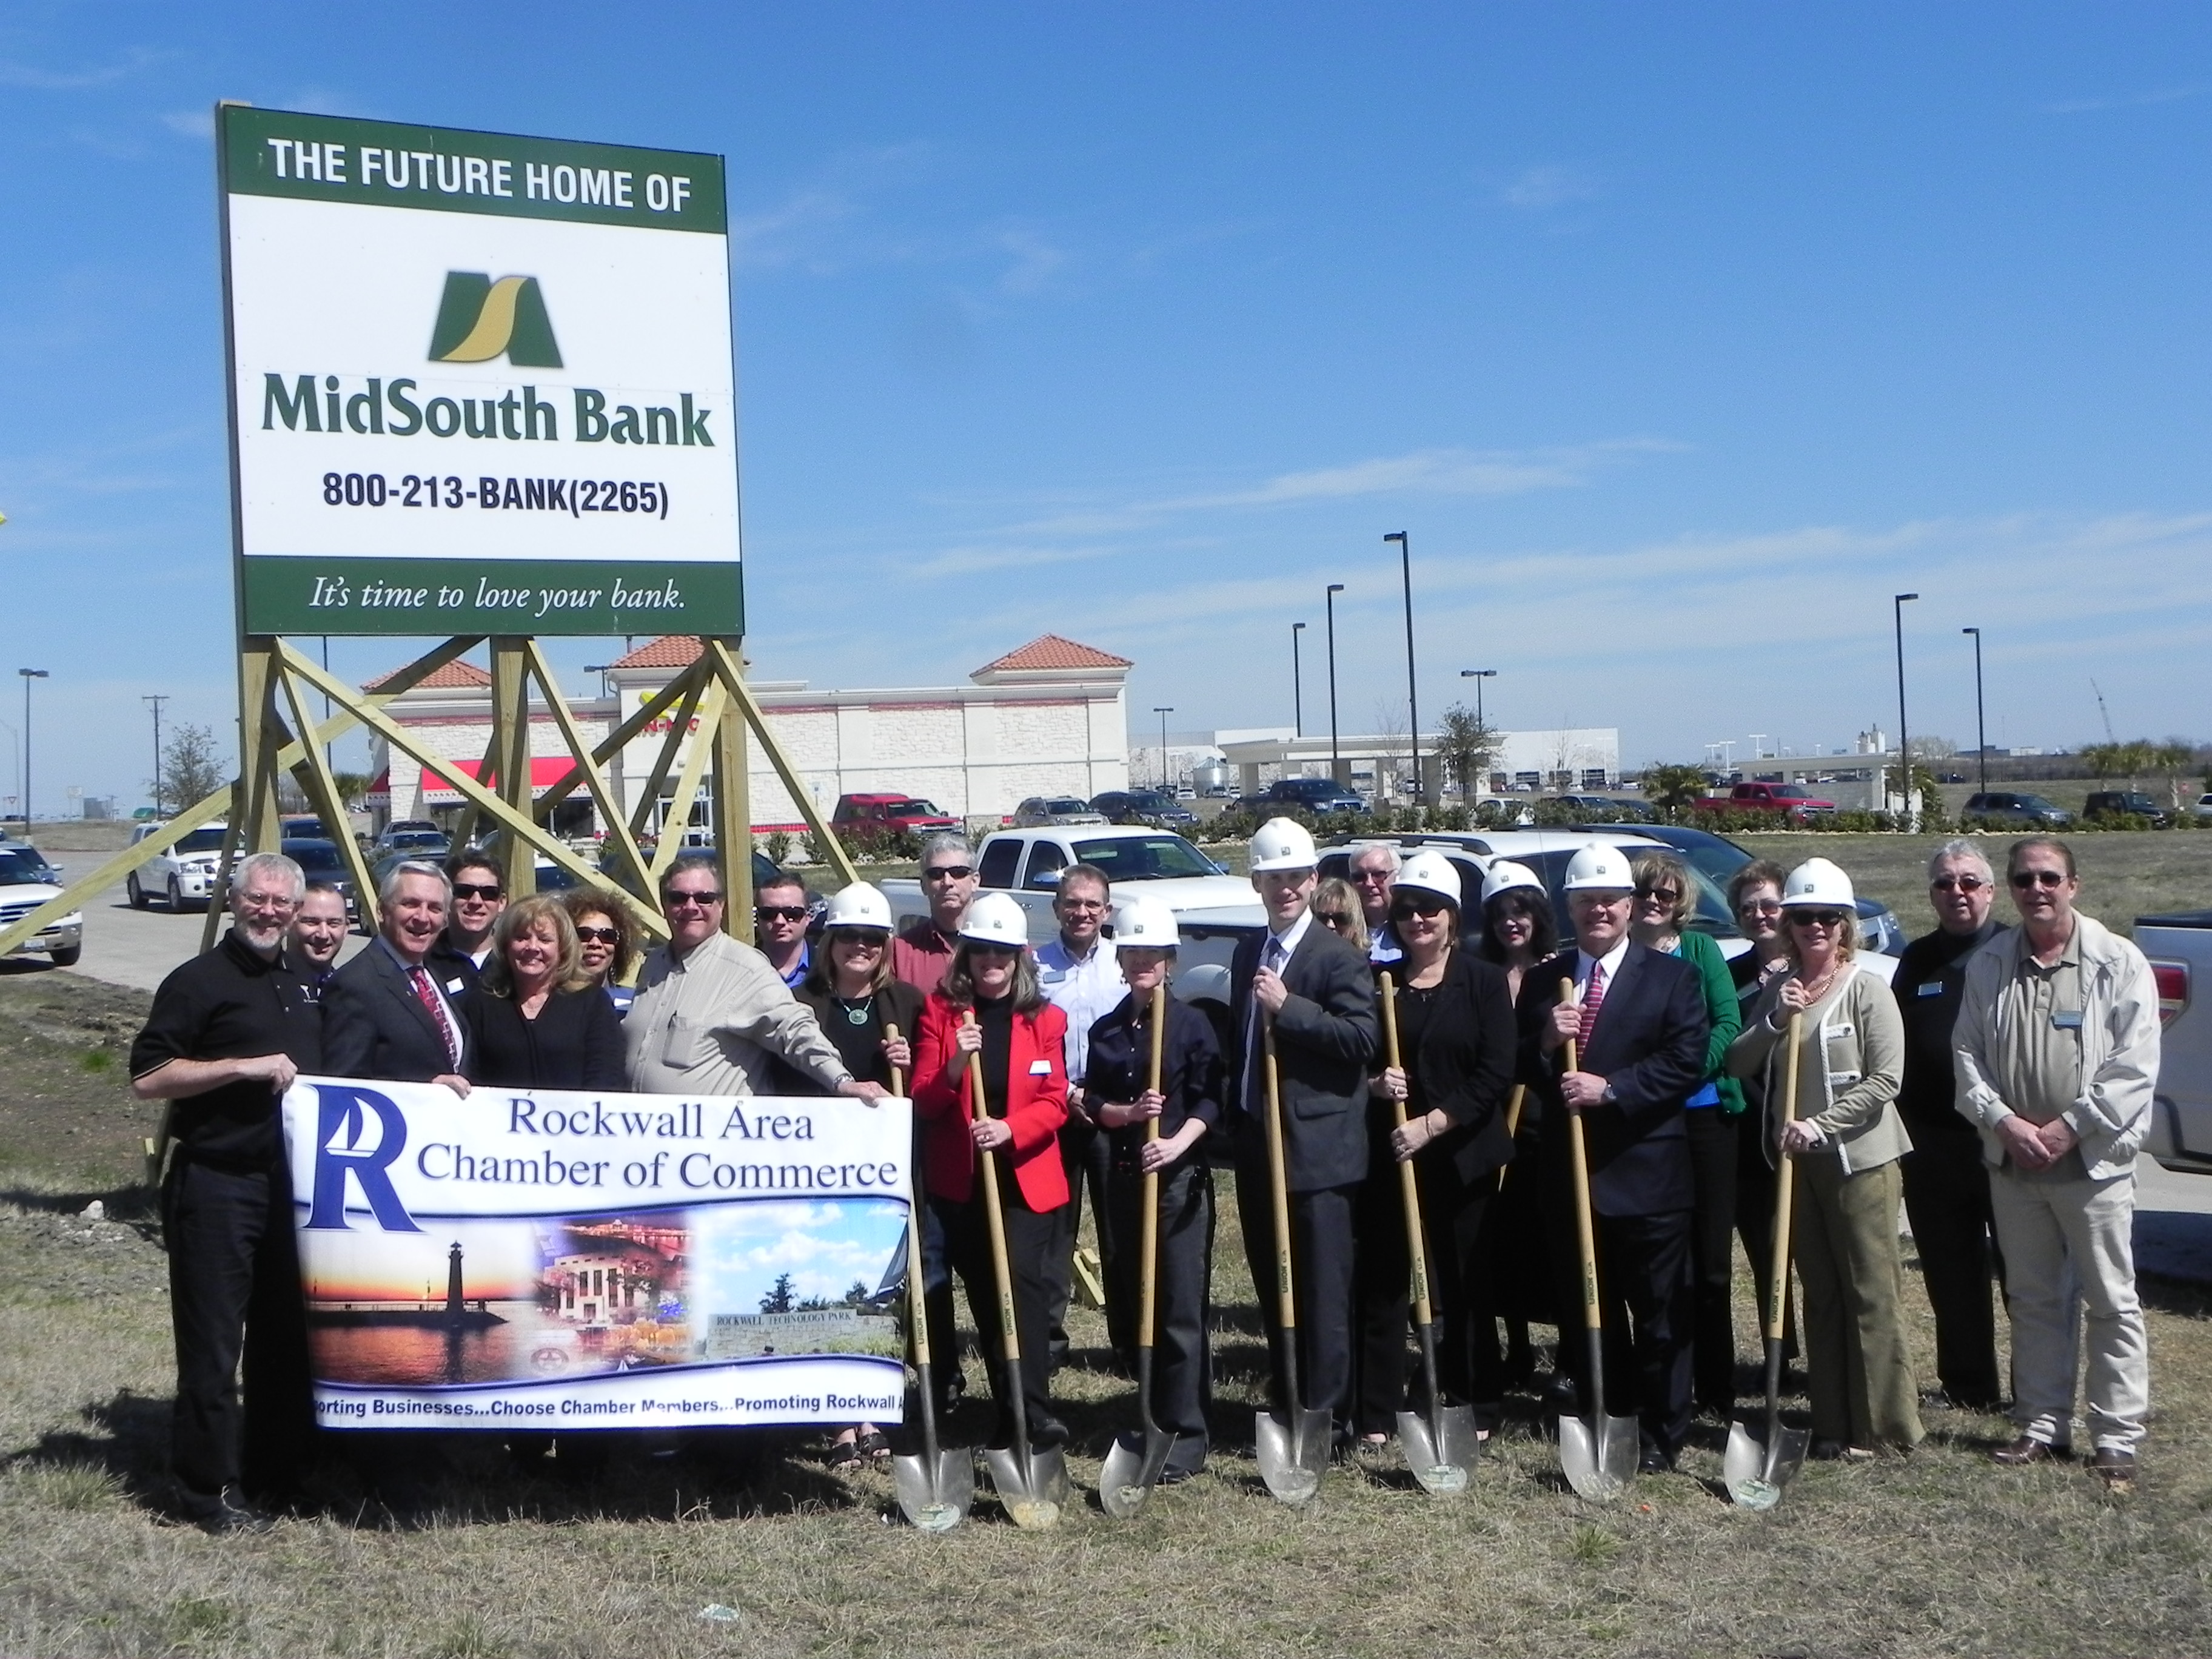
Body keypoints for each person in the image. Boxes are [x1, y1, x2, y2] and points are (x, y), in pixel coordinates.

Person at [1955, 836, 2158, 1487]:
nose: (2036, 890)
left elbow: (2134, 1067)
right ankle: (2042, 1425)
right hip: (2016, 1164)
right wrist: (2007, 1124)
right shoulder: (1990, 963)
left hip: (2092, 1165)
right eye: (2024, 880)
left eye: (2049, 878)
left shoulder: (2118, 962)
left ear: (2074, 883)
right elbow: (1967, 1057)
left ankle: (2116, 1435)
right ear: (2010, 889)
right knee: (2035, 1298)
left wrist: (2070, 1128)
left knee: (2110, 1301)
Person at [128, 851, 322, 1533]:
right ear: (234, 901)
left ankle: (273, 1475)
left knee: (281, 1343)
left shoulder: (305, 982)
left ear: (297, 910)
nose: (268, 912)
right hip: (216, 1184)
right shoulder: (198, 981)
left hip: (289, 1191)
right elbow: (149, 1076)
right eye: (257, 899)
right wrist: (238, 1067)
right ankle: (204, 1489)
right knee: (213, 1346)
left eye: (281, 902)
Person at [1517, 842, 1707, 1473]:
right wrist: (1548, 1039)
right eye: (1585, 900)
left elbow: (1684, 1063)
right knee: (1588, 1310)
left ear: (1630, 906)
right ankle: (1609, 1413)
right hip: (1570, 1179)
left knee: (1656, 1314)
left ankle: (1662, 1432)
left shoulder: (1673, 978)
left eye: (1609, 899)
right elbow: (1519, 1067)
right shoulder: (1547, 981)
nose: (1598, 909)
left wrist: (1613, 1089)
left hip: (1647, 1175)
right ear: (1569, 907)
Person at [1729, 857, 1922, 1460]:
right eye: (1804, 917)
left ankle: (1887, 1427)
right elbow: (1738, 1062)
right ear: (1788, 924)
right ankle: (1833, 1421)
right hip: (1801, 1166)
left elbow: (1885, 1081)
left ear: (1845, 925)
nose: (1816, 927)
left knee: (1871, 1291)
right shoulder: (1780, 987)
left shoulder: (1866, 988)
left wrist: (1820, 1125)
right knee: (1822, 1293)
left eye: (1828, 918)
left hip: (1860, 1161)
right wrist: (1774, 1018)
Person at [1228, 817, 1379, 1449]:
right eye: (1273, 879)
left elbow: (1362, 1040)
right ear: (1257, 882)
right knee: (1273, 1279)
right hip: (1259, 1144)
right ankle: (1289, 1392)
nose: (1285, 889)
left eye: (1296, 878)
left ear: (1313, 881)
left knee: (1321, 1287)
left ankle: (1330, 1416)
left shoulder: (1336, 956)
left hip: (1319, 1151)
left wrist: (1290, 1009)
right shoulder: (1248, 952)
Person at [1357, 850, 1517, 1440]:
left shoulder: (1483, 981)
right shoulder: (1382, 982)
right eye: (1407, 910)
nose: (1418, 921)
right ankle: (1376, 1409)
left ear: (1452, 916)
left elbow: (1496, 1070)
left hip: (1461, 1152)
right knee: (1384, 1277)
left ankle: (1473, 1397)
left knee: (1465, 1279)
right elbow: (1357, 1059)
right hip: (1392, 1152)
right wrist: (1375, 1084)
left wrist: (1434, 1123)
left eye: (1430, 910)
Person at [911, 893, 1071, 1453]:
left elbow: (1054, 1101)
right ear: (966, 955)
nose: (991, 962)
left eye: (1002, 952)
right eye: (981, 951)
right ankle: (1004, 1408)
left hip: (1024, 1180)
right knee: (985, 1298)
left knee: (1023, 1295)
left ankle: (1031, 1413)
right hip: (965, 1184)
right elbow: (925, 1101)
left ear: (1020, 956)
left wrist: (1010, 1128)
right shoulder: (941, 1014)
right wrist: (956, 1060)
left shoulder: (1047, 1019)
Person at [1084, 895, 1225, 1481]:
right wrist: (1123, 1111)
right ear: (1122, 959)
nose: (1142, 961)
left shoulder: (1193, 1024)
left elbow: (1211, 1098)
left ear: (1170, 959)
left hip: (1177, 1182)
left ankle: (1188, 1430)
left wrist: (1177, 1141)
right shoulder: (1107, 1029)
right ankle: (1149, 1416)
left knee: (1179, 1309)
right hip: (1125, 1180)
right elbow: (1092, 1102)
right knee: (1139, 1301)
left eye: (1153, 953)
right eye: (1133, 951)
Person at [793, 880, 927, 1470]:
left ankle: (873, 1411)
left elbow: (932, 1086)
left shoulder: (909, 1005)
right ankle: (840, 1422)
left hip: (889, 1174)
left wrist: (912, 1062)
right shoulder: (803, 1005)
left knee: (882, 1291)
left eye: (872, 939)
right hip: (828, 1173)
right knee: (833, 1286)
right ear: (829, 942)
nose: (860, 948)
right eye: (849, 937)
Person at [1629, 851, 1745, 1419]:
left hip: (1702, 1117)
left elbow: (1728, 1021)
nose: (1655, 902)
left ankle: (1716, 1385)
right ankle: (1657, 1378)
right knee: (1654, 1263)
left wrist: (1683, 1068)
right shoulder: (1619, 960)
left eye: (1667, 895)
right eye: (1646, 892)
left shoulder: (1701, 953)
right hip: (1644, 1123)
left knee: (1710, 1263)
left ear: (1682, 905)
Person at [1894, 839, 2009, 1410]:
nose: (1956, 892)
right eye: (1944, 883)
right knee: (1950, 1270)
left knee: (2025, 1273)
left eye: (1969, 882)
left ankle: (2039, 1388)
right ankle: (1969, 1386)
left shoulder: (2013, 950)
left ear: (1989, 890)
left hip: (2005, 1139)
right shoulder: (1916, 960)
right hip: (1932, 1143)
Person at [625, 855, 885, 1103]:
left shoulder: (745, 968)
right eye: (678, 897)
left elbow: (793, 1028)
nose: (691, 907)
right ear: (664, 904)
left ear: (721, 905)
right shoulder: (653, 965)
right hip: (646, 1136)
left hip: (714, 1140)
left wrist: (841, 1081)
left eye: (704, 898)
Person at [1034, 863, 1125, 1370]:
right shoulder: (1035, 965)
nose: (1082, 912)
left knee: (1120, 1231)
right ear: (1057, 909)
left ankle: (1130, 1342)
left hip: (1112, 1112)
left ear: (1107, 911)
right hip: (1056, 1109)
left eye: (1093, 904)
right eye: (1072, 903)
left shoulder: (1122, 962)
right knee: (1054, 1234)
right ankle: (1048, 1343)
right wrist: (1066, 1093)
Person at [1476, 859, 1557, 1390]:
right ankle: (1516, 1348)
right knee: (1498, 1240)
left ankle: (1572, 1348)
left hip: (1544, 1122)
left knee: (1550, 1238)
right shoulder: (1479, 973)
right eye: (1503, 913)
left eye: (1522, 911)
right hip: (1492, 1119)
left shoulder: (1557, 970)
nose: (1513, 922)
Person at [1726, 859, 1798, 1366]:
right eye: (1748, 907)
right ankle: (1779, 1352)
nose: (1759, 915)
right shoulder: (1730, 975)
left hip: (1801, 1128)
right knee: (1765, 1250)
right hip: (1748, 1133)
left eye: (1769, 904)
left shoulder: (1812, 968)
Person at [323, 860, 474, 1091]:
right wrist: (422, 1090)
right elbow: (343, 1088)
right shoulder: (354, 985)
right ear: (382, 910)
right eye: (410, 904)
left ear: (445, 919)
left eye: (434, 908)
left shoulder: (431, 976)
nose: (423, 917)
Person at [464, 895, 628, 1093]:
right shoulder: (482, 1005)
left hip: (574, 1121)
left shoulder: (593, 1004)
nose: (533, 947)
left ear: (562, 949)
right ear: (506, 946)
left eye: (544, 939)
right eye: (522, 938)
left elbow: (607, 1080)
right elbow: (471, 1079)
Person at [893, 834, 977, 995]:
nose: (947, 882)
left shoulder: (1006, 947)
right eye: (936, 874)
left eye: (958, 872)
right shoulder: (900, 952)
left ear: (975, 881)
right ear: (923, 885)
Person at [561, 888, 641, 1017]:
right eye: (584, 934)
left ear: (619, 946)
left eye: (607, 936)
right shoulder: (550, 1003)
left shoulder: (634, 1005)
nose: (595, 943)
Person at [438, 851, 508, 980]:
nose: (476, 902)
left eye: (489, 893)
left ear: (502, 902)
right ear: (446, 897)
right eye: (464, 891)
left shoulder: (515, 961)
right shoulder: (424, 962)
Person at [289, 880, 349, 1000]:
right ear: (289, 923)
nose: (323, 934)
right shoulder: (267, 988)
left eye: (333, 924)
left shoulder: (351, 991)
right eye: (311, 922)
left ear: (346, 928)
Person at [754, 870, 813, 990]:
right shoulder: (741, 970)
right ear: (757, 918)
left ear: (808, 918)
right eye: (768, 913)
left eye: (792, 913)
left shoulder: (832, 969)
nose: (780, 921)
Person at [1349, 842, 1403, 965]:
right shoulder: (1339, 926)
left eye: (1378, 874)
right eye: (1359, 877)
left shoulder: (1412, 927)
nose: (1369, 883)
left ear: (1397, 878)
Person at [1312, 877, 1370, 954]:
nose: (1330, 925)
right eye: (1322, 918)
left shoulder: (1367, 965)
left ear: (1355, 923)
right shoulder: (1298, 964)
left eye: (1340, 918)